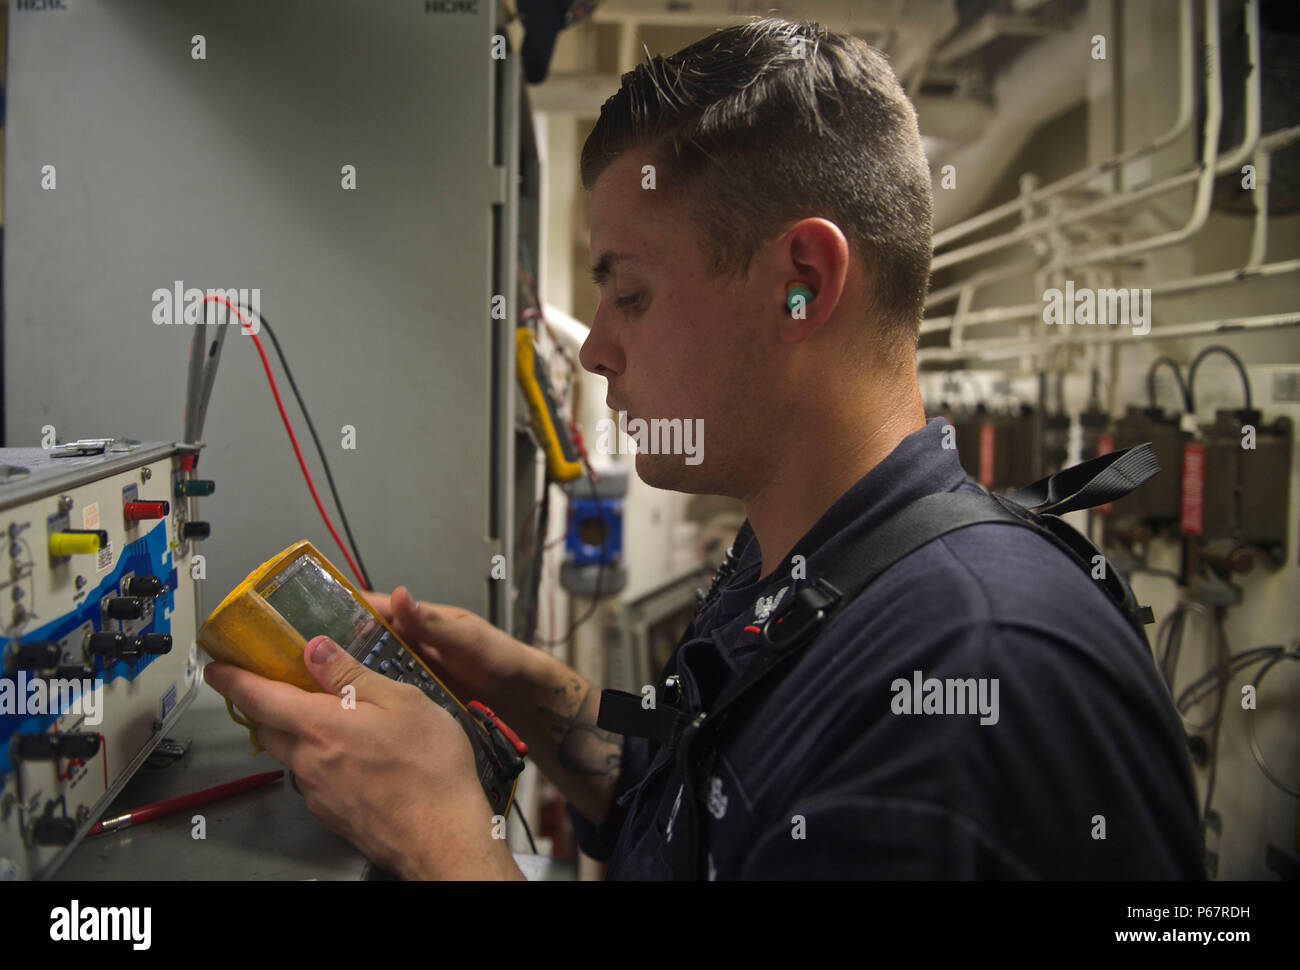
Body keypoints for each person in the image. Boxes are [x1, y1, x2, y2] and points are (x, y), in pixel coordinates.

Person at [205, 17, 1203, 879]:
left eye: (630, 293)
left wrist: (443, 842)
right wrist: (513, 683)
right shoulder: (803, 567)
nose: (594, 347)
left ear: (800, 282)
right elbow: (685, 781)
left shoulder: (967, 687)